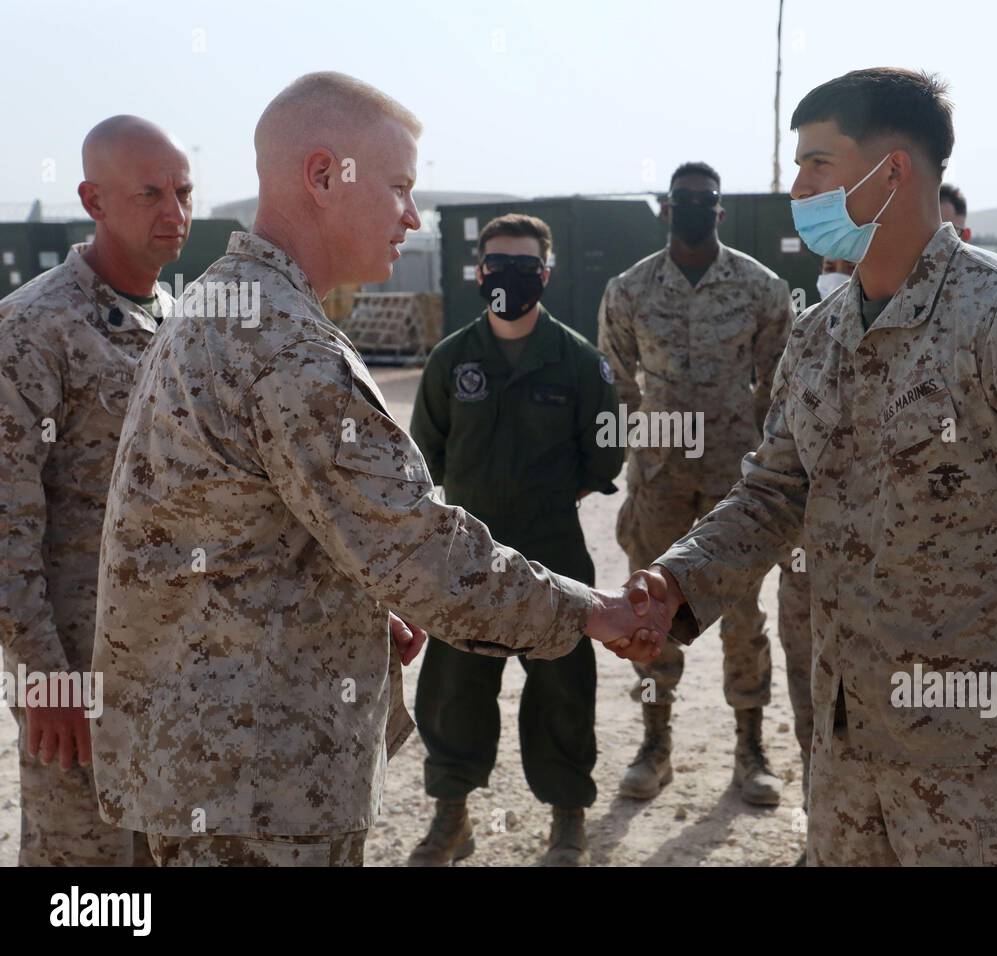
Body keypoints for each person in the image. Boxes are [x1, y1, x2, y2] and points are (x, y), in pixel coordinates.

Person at [90, 72, 665, 868]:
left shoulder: (229, 306)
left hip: (219, 764)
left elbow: (252, 528)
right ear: (324, 177)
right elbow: (420, 550)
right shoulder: (285, 344)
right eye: (398, 187)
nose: (412, 216)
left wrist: (348, 612)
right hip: (261, 788)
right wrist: (591, 612)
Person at [624, 68, 997, 866]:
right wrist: (678, 579)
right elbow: (776, 489)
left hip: (984, 750)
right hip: (847, 736)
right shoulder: (816, 339)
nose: (796, 185)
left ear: (892, 172)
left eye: (818, 163)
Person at [406, 213, 623, 866]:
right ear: (479, 273)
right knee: (452, 693)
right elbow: (427, 455)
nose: (509, 278)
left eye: (524, 268)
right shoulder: (451, 361)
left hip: (553, 556)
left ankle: (566, 822)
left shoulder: (581, 363)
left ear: (545, 276)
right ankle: (452, 820)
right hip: (465, 561)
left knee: (563, 688)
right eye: (497, 266)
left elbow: (604, 458)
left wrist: (544, 502)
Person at [0, 116, 188, 866]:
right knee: (85, 874)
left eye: (183, 190)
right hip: (78, 673)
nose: (173, 212)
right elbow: (6, 523)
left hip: (178, 666)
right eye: (150, 193)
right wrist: (45, 678)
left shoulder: (179, 323)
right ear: (94, 200)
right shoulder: (31, 330)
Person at [598, 162, 794, 805]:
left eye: (704, 200)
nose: (693, 208)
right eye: (682, 199)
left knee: (743, 613)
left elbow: (777, 386)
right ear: (666, 208)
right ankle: (654, 746)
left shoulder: (761, 287)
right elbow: (618, 383)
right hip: (659, 481)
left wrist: (757, 454)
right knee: (649, 608)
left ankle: (751, 748)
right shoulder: (628, 290)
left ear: (720, 211)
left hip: (734, 482)